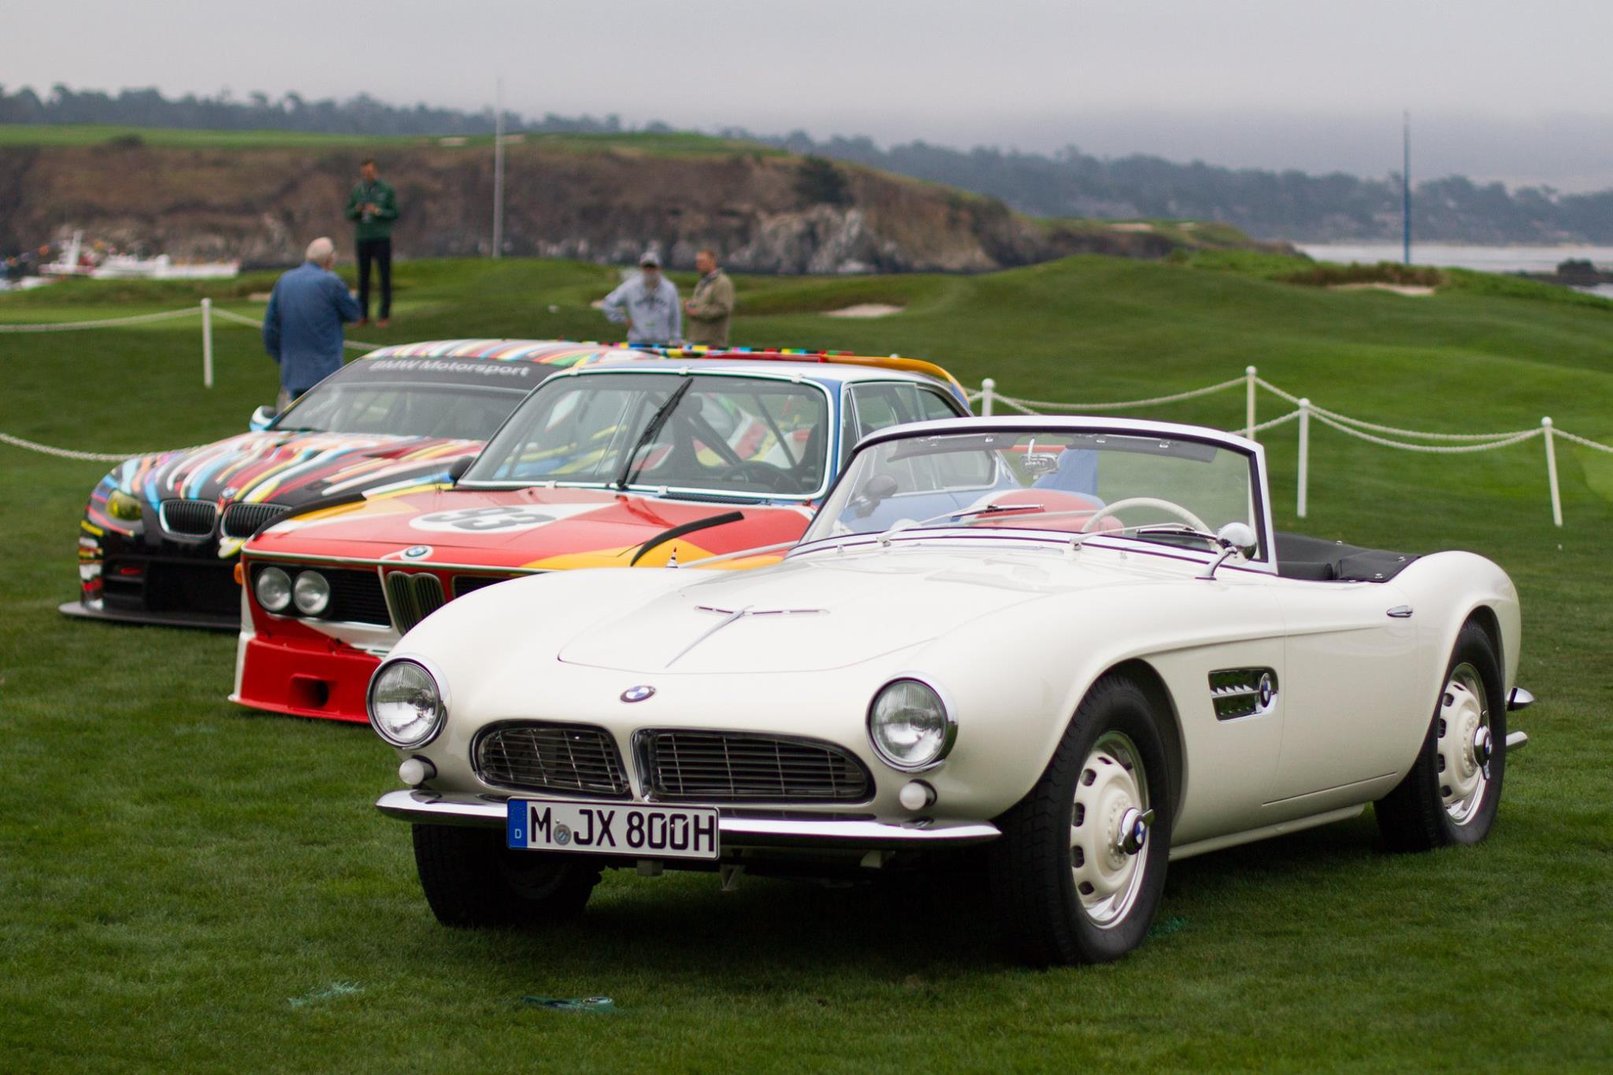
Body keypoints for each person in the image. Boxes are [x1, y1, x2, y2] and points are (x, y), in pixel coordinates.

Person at [262, 237, 362, 412]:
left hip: (292, 373)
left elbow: (270, 329)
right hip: (327, 374)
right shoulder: (331, 282)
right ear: (330, 259)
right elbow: (354, 313)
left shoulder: (284, 280)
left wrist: (282, 357)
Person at [344, 158, 399, 326]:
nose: (367, 175)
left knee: (384, 275)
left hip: (381, 237)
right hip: (363, 237)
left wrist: (378, 211)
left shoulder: (386, 189)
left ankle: (384, 315)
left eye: (370, 171)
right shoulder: (358, 190)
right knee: (363, 277)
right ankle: (363, 314)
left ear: (375, 171)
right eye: (364, 172)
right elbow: (348, 213)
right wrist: (357, 210)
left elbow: (394, 213)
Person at [601, 251, 681, 344]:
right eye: (646, 267)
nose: (649, 270)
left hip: (661, 342)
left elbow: (675, 316)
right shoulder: (629, 287)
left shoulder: (670, 289)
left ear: (659, 268)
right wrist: (622, 319)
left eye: (652, 267)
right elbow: (608, 303)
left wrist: (676, 338)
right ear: (641, 268)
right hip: (637, 342)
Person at [683, 248, 735, 346]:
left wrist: (698, 312)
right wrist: (690, 305)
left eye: (702, 262)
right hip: (696, 339)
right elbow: (702, 303)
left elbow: (723, 308)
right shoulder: (702, 282)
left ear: (712, 262)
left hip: (712, 343)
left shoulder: (722, 282)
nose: (698, 265)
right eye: (697, 262)